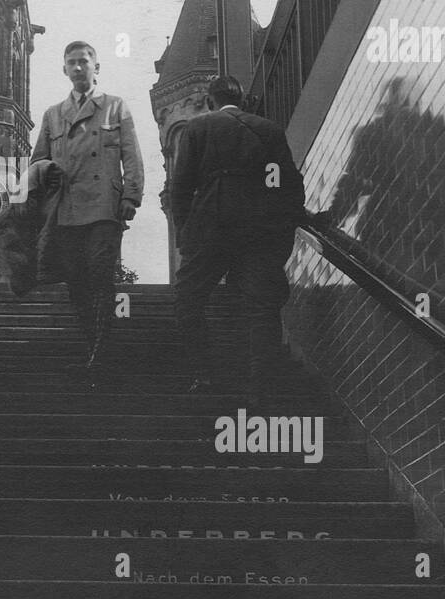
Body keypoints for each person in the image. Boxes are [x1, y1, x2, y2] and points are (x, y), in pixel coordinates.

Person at [169, 74, 305, 403]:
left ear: (212, 100)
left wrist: (185, 234)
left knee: (188, 297)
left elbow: (181, 186)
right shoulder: (268, 129)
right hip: (258, 226)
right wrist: (284, 223)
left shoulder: (197, 128)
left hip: (210, 224)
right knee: (263, 304)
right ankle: (264, 384)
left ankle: (203, 375)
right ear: (241, 99)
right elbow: (289, 182)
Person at [30, 40, 144, 375]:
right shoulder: (53, 114)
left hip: (104, 208)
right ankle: (94, 341)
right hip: (66, 209)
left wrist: (131, 197)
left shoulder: (115, 106)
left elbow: (132, 156)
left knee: (99, 274)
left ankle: (101, 350)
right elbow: (37, 161)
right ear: (64, 69)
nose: (78, 68)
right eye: (72, 63)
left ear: (97, 67)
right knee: (76, 280)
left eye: (84, 61)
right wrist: (46, 171)